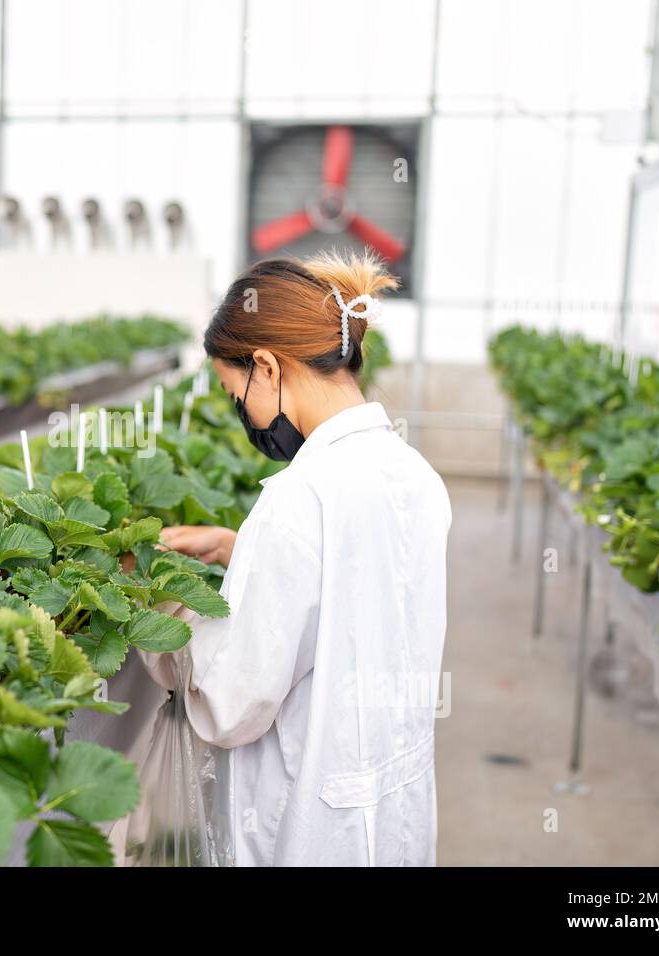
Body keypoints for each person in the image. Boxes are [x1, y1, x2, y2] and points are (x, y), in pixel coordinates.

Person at [138, 250, 451, 866]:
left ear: (265, 365)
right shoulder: (413, 474)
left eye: (237, 393)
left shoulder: (299, 497)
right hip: (390, 798)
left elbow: (234, 701)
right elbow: (362, 590)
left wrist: (159, 610)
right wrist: (240, 549)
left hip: (307, 826)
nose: (244, 416)